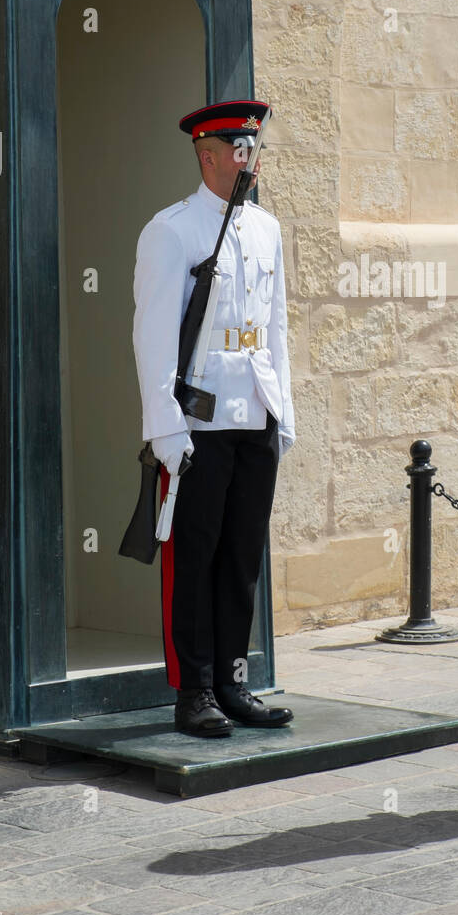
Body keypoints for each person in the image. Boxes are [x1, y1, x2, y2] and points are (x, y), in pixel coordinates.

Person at [131, 99, 295, 737]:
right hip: (198, 419)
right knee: (192, 556)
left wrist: (282, 414)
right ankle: (193, 687)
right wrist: (164, 426)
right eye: (238, 148)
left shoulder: (267, 228)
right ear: (207, 156)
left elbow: (275, 325)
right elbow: (150, 336)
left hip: (255, 411)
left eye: (254, 147)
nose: (250, 158)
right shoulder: (172, 231)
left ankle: (232, 678)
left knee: (241, 554)